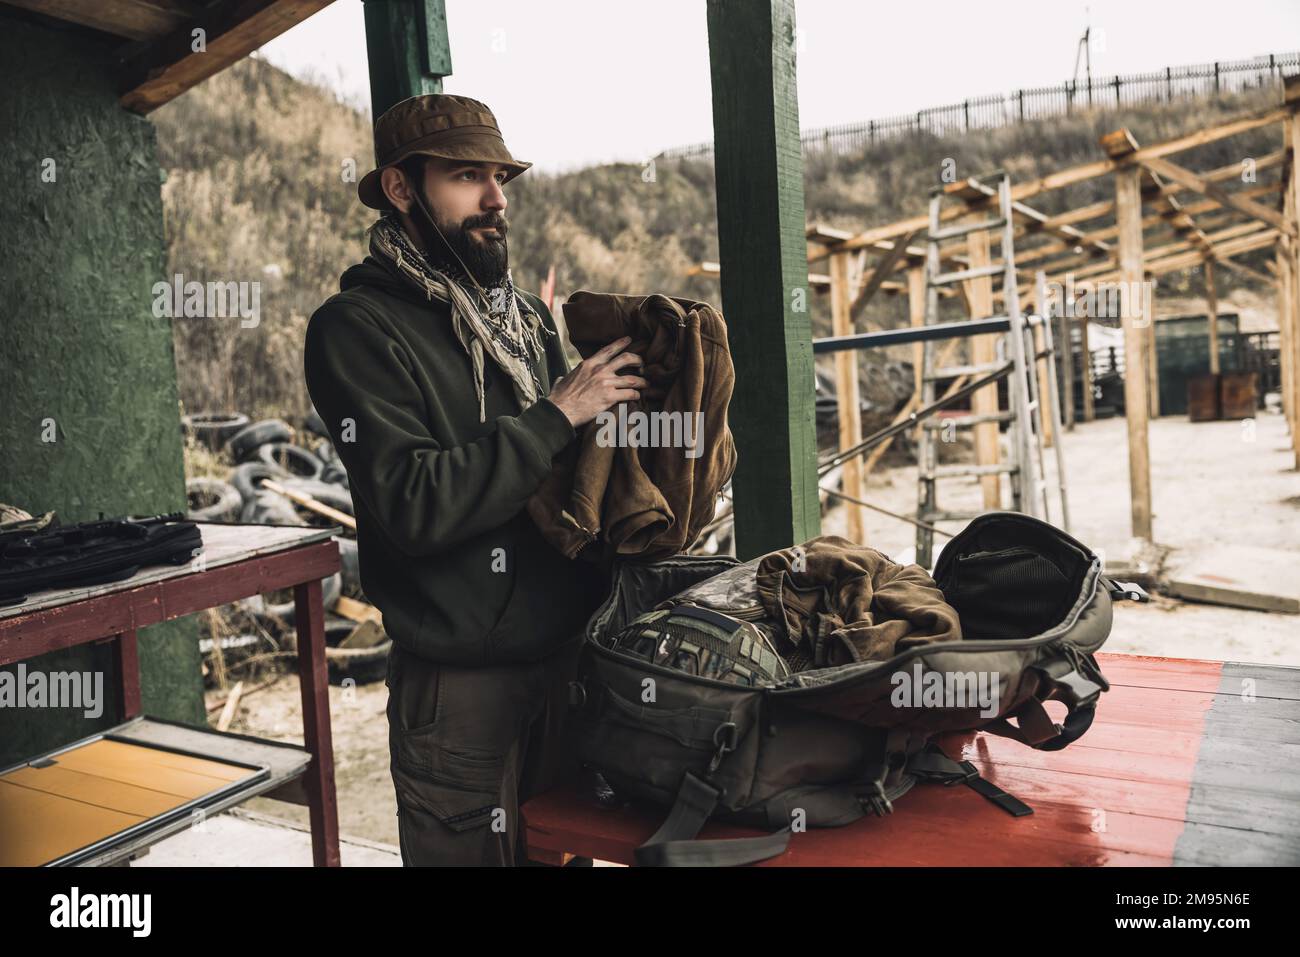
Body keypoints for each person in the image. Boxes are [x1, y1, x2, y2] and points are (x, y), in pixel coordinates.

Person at [303, 94, 645, 865]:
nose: (496, 198)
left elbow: (567, 481)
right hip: (459, 691)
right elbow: (414, 503)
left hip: (567, 666)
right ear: (401, 189)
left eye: (500, 176)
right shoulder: (355, 328)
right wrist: (557, 414)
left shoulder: (522, 316)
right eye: (467, 176)